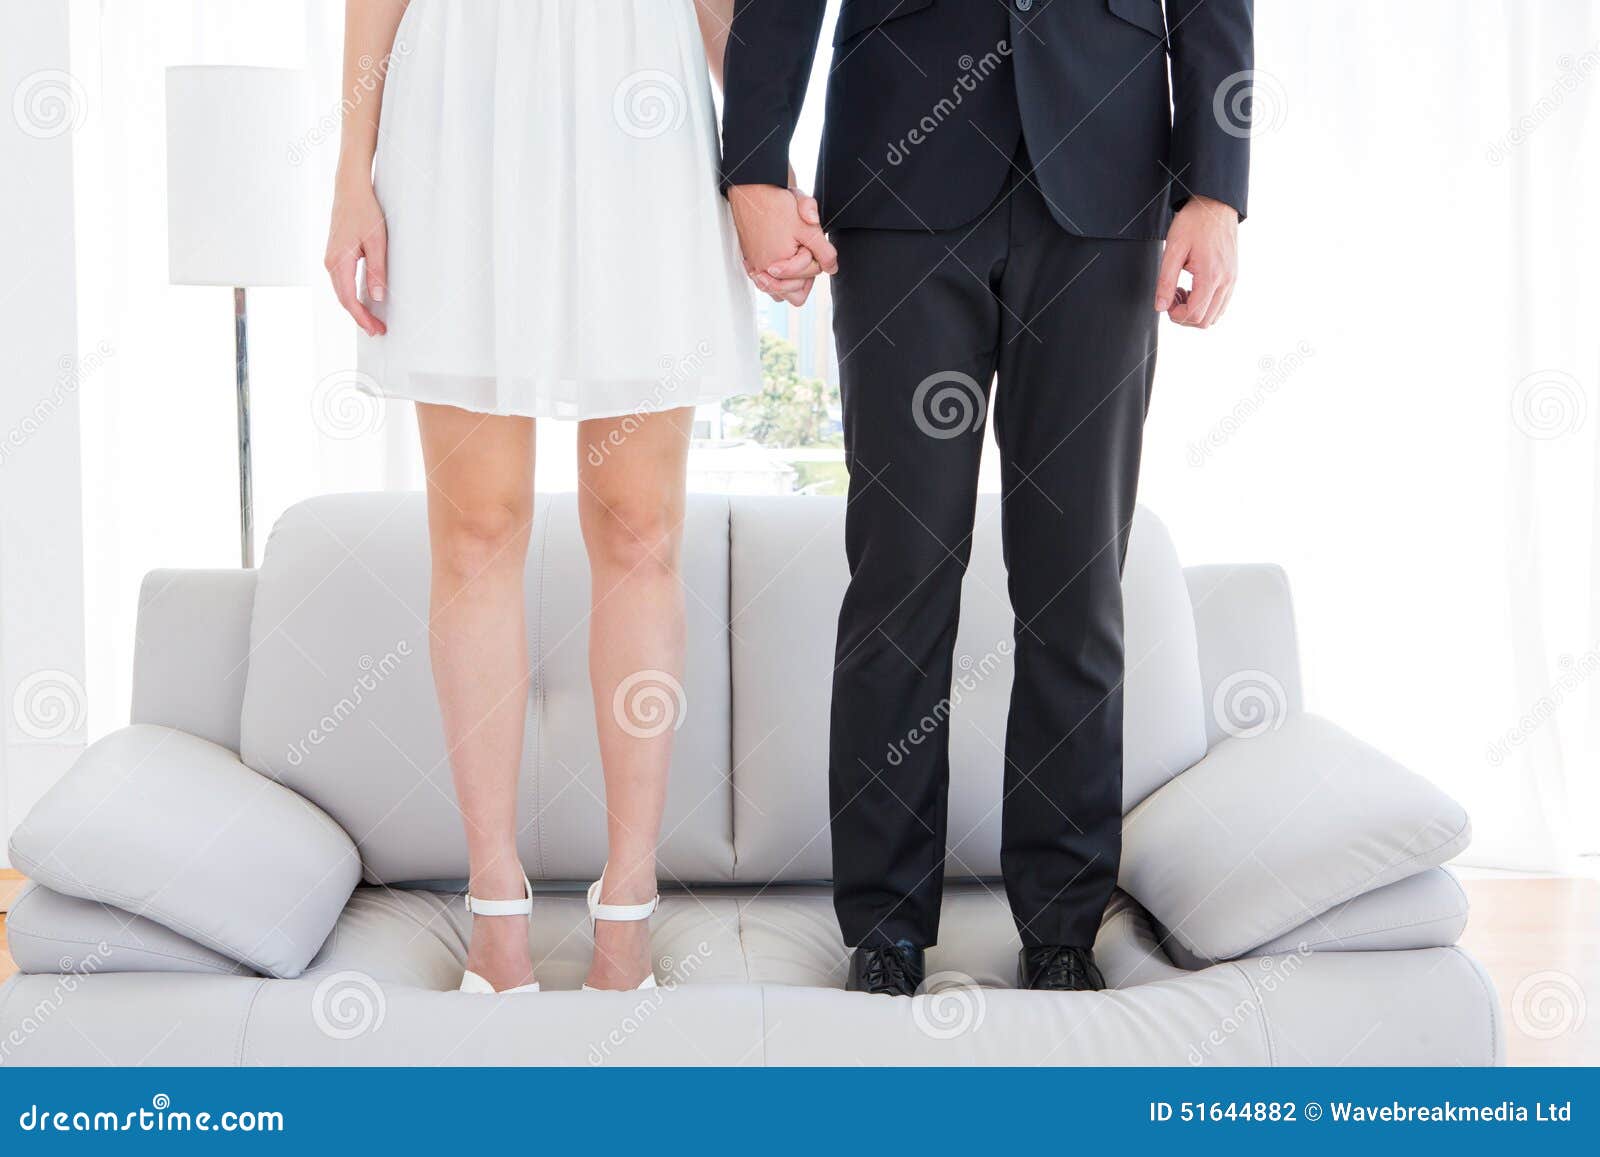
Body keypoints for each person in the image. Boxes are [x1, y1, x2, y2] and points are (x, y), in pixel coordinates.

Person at [721, 0, 1253, 995]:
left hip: (1108, 183)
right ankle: (883, 919)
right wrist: (752, 162)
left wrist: (1216, 187)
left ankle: (1061, 922)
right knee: (899, 572)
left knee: (1078, 584)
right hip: (900, 179)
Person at [324, 0, 774, 993]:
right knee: (477, 528)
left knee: (639, 526)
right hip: (458, 112)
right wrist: (350, 170)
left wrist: (764, 165)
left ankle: (629, 904)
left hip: (644, 114)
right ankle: (495, 903)